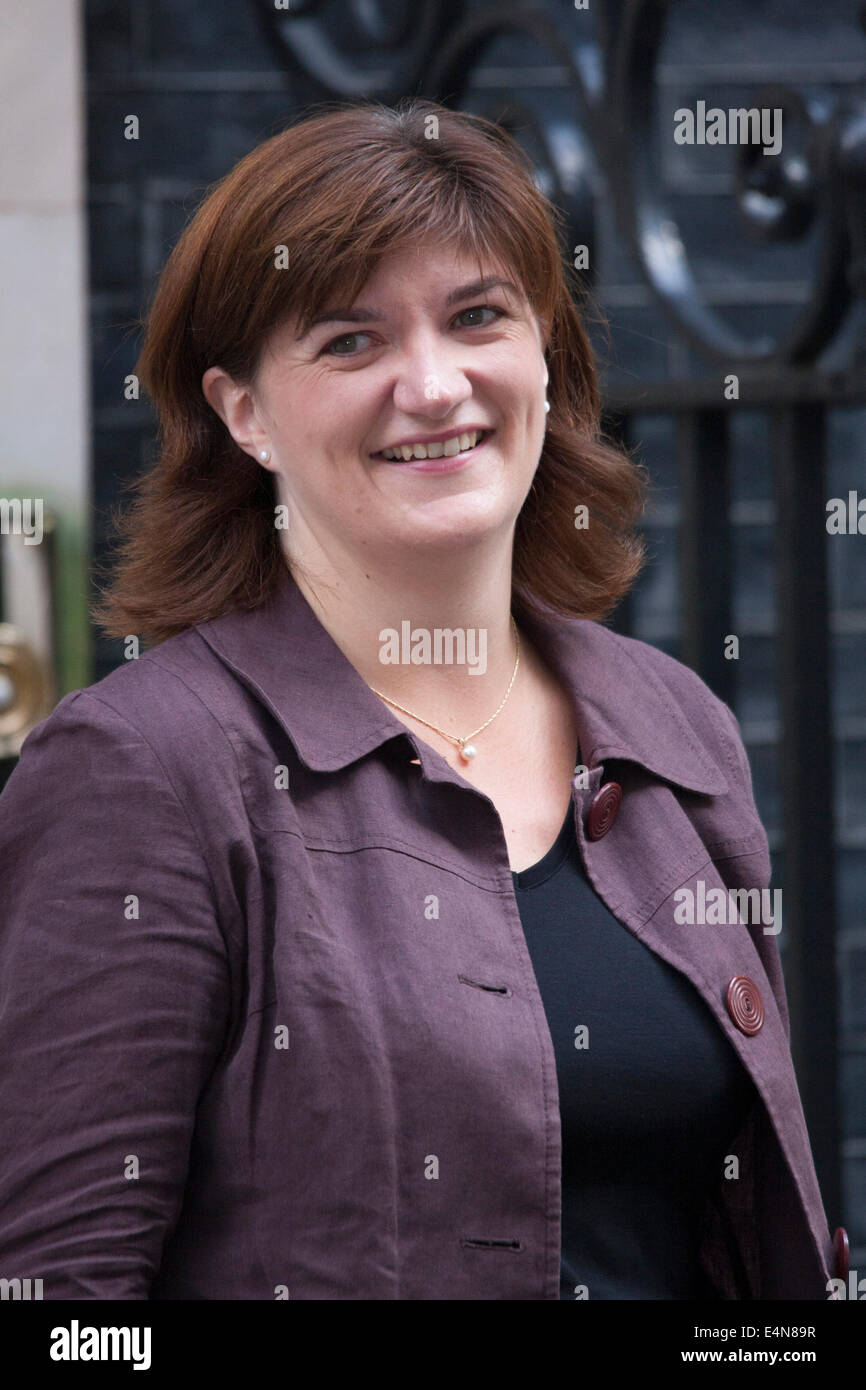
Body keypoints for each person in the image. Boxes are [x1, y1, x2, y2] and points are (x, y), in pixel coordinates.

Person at [0, 98, 846, 1300]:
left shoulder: (669, 728)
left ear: (544, 355)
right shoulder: (146, 768)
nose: (434, 384)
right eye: (350, 342)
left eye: (477, 317)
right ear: (243, 412)